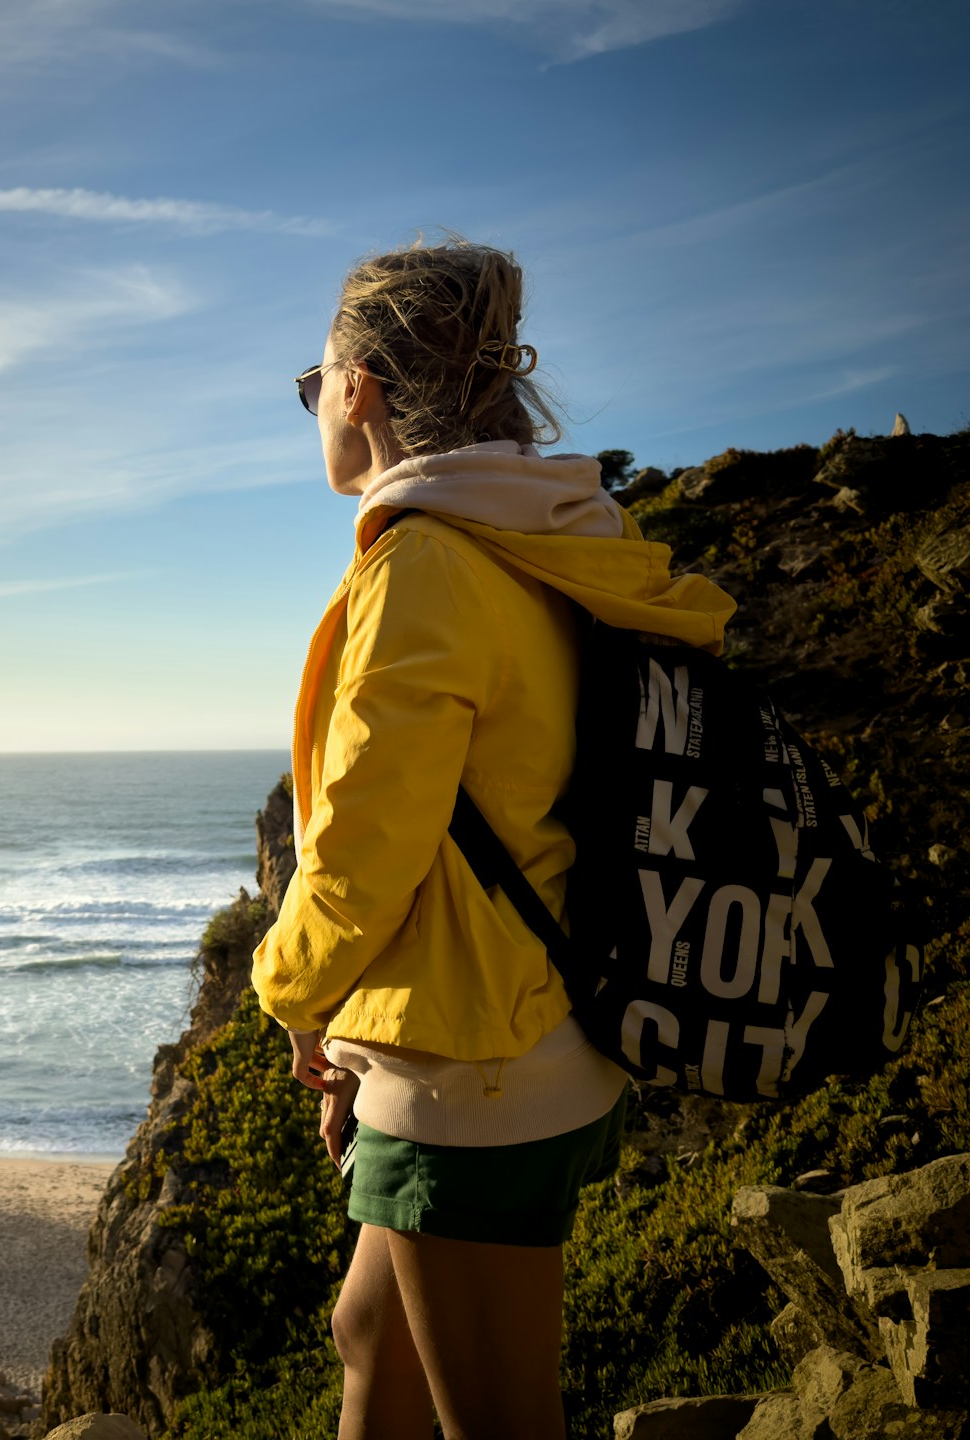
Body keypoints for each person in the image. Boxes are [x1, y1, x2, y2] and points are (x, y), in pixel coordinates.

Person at [250, 237, 734, 1439]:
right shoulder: (546, 536)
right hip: (540, 1012)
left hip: (474, 1064)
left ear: (357, 385)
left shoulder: (425, 562)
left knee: (500, 1416)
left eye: (315, 387)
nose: (318, 411)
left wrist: (291, 995)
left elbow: (364, 854)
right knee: (372, 1334)